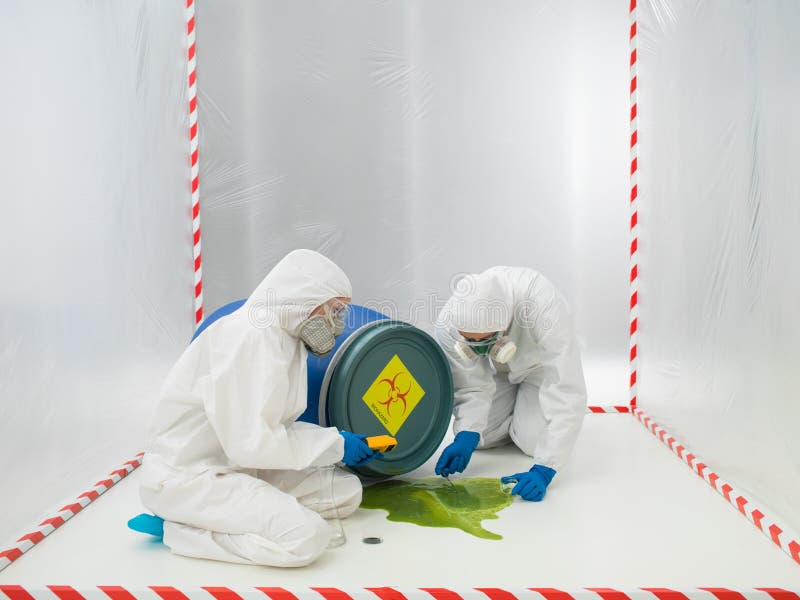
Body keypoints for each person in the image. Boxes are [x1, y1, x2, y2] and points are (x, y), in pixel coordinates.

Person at [137, 249, 381, 567]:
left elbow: (271, 427)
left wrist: (339, 440)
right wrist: (335, 445)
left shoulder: (285, 337)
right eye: (334, 310)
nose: (337, 324)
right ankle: (182, 529)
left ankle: (238, 515)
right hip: (191, 477)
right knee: (308, 537)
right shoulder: (248, 338)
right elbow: (250, 443)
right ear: (306, 298)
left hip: (237, 464)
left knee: (346, 492)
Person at [433, 266, 587, 502]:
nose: (478, 347)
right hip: (502, 371)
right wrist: (466, 434)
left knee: (534, 442)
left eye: (486, 340)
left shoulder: (541, 301)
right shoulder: (448, 323)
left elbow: (566, 384)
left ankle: (528, 416)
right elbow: (470, 383)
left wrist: (546, 468)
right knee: (479, 434)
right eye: (470, 342)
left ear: (503, 324)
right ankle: (518, 411)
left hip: (539, 369)